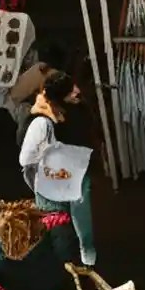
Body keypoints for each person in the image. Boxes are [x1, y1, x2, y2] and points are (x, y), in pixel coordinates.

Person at [19, 70, 97, 266]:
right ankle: (65, 264)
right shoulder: (41, 121)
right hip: (52, 179)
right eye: (71, 91)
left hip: (77, 172)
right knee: (57, 223)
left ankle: (84, 252)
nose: (77, 91)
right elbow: (26, 160)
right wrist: (38, 186)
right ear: (59, 98)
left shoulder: (78, 108)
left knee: (81, 217)